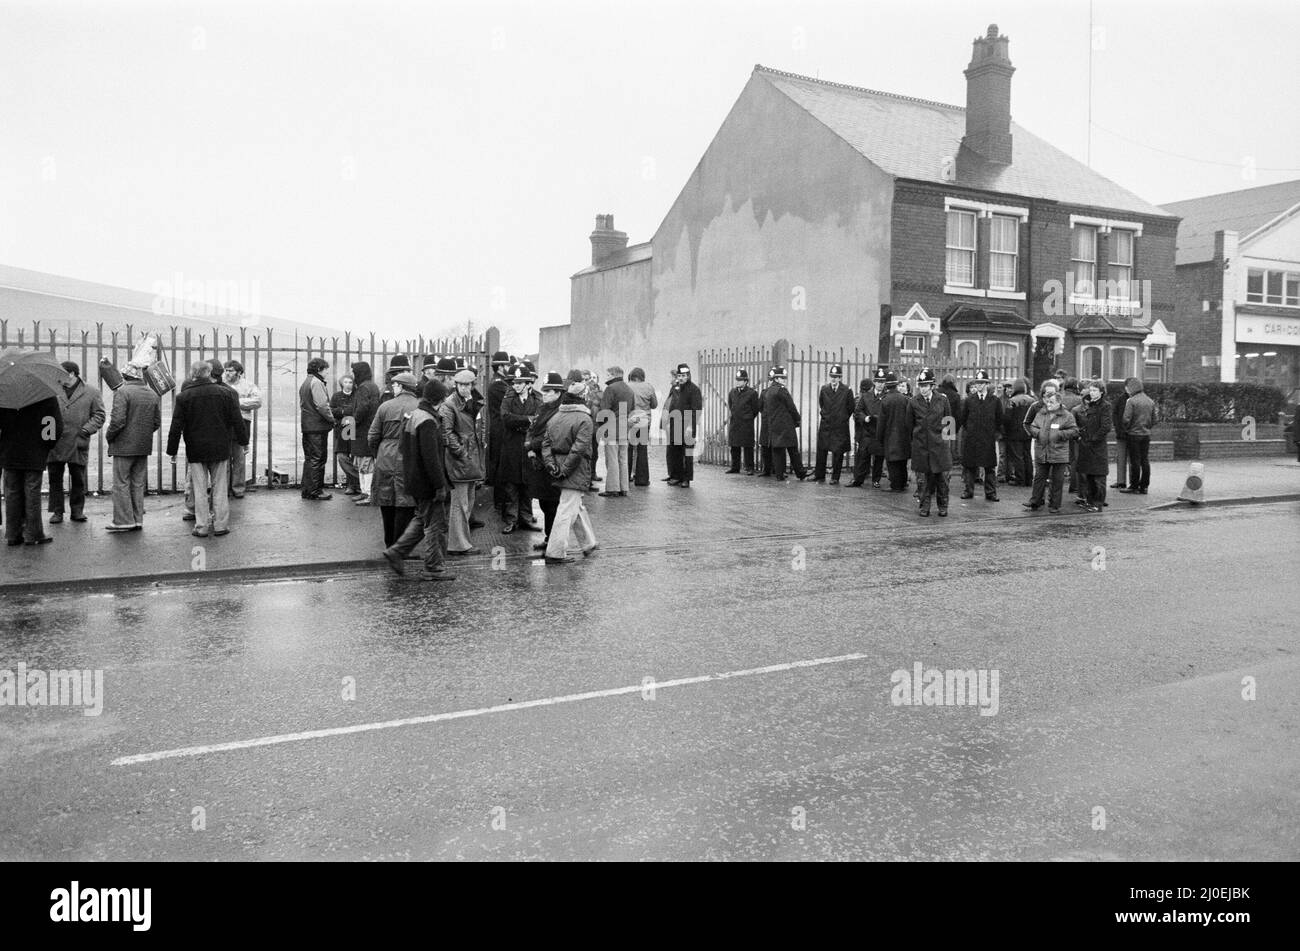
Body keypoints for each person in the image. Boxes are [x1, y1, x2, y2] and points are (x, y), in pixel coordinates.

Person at [381, 378, 456, 581]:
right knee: (435, 525)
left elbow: (404, 449)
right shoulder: (429, 421)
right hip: (429, 483)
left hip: (415, 480)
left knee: (422, 518)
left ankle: (396, 552)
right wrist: (440, 486)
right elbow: (432, 459)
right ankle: (434, 568)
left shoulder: (414, 415)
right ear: (440, 399)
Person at [167, 360, 242, 538]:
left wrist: (172, 450)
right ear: (209, 373)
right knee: (220, 487)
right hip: (220, 448)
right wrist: (243, 441)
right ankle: (221, 525)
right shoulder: (226, 393)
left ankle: (201, 526)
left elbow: (176, 425)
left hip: (196, 449)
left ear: (193, 374)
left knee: (199, 489)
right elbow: (237, 421)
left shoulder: (184, 397)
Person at [542, 370, 598, 564]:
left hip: (558, 467)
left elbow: (546, 445)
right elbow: (579, 449)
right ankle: (555, 552)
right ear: (583, 398)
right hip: (575, 470)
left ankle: (588, 542)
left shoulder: (555, 418)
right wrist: (565, 470)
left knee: (575, 505)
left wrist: (553, 466)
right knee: (567, 510)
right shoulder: (585, 420)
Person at [103, 364, 161, 533]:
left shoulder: (123, 392)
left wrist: (110, 436)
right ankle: (137, 519)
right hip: (143, 445)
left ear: (125, 376)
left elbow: (117, 421)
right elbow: (156, 422)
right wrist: (141, 434)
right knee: (137, 483)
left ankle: (123, 520)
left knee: (121, 483)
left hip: (123, 446)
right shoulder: (152, 393)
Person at [46, 361, 105, 524]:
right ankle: (57, 511)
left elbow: (99, 415)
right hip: (55, 441)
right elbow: (45, 414)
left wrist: (86, 431)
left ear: (72, 374)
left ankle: (77, 510)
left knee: (78, 478)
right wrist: (47, 435)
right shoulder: (52, 390)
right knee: (54, 479)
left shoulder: (92, 392)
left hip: (78, 441)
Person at [1, 390, 62, 545]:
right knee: (32, 492)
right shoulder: (45, 395)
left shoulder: (5, 393)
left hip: (10, 451)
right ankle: (33, 534)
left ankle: (13, 534)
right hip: (34, 451)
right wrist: (46, 445)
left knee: (11, 493)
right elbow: (54, 424)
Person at [368, 371, 419, 547]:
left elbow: (373, 436)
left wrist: (379, 454)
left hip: (385, 455)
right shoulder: (419, 407)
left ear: (401, 387)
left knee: (386, 500)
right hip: (409, 456)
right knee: (406, 504)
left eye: (395, 385)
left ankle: (389, 544)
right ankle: (401, 547)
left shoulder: (385, 407)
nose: (393, 388)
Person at [440, 368, 486, 554]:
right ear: (456, 385)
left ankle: (462, 542)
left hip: (471, 457)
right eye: (462, 385)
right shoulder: (450, 405)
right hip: (461, 459)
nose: (465, 388)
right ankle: (458, 544)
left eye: (468, 385)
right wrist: (461, 452)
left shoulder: (472, 402)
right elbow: (447, 433)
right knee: (460, 504)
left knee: (468, 501)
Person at [526, 372, 566, 551]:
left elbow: (549, 437)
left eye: (549, 391)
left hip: (552, 462)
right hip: (540, 462)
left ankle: (554, 541)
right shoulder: (544, 408)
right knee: (544, 502)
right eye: (545, 391)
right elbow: (533, 427)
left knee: (553, 505)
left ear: (558, 393)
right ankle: (550, 538)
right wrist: (531, 444)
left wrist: (531, 445)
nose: (546, 394)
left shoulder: (560, 411)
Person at [499, 364, 542, 529]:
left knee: (527, 484)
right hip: (511, 446)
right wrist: (527, 420)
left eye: (519, 382)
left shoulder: (537, 399)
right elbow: (505, 418)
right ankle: (511, 520)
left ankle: (526, 518)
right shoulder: (508, 399)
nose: (515, 385)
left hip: (528, 446)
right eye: (513, 382)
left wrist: (523, 420)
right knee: (511, 485)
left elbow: (538, 421)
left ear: (527, 383)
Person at [1024, 389, 1078, 513]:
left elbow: (1074, 431)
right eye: (1047, 402)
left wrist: (1060, 434)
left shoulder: (1067, 415)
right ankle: (1035, 502)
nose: (1048, 404)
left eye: (1052, 402)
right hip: (1042, 451)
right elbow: (1032, 426)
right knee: (1039, 478)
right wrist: (1037, 433)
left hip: (1059, 452)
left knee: (1057, 480)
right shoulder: (1041, 413)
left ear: (1059, 403)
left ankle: (1054, 505)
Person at [909, 368, 952, 517]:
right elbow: (909, 425)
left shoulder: (943, 400)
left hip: (940, 446)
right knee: (923, 481)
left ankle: (943, 506)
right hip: (921, 447)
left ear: (932, 386)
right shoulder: (913, 402)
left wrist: (947, 444)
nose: (923, 389)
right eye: (921, 386)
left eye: (926, 386)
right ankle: (924, 506)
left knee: (942, 480)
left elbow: (949, 422)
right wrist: (914, 444)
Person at [958, 369, 1003, 502]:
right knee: (970, 465)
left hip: (987, 438)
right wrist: (970, 431)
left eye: (982, 383)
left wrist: (994, 433)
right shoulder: (969, 400)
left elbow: (999, 419)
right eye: (977, 383)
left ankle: (990, 492)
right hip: (972, 437)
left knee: (989, 466)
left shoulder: (994, 401)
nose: (979, 385)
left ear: (987, 384)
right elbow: (964, 418)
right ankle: (968, 490)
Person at [758, 366, 805, 481]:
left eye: (784, 378)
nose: (784, 380)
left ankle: (779, 475)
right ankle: (801, 473)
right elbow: (791, 407)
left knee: (778, 450)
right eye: (782, 378)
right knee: (793, 450)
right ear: (776, 379)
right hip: (786, 425)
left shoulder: (767, 392)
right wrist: (797, 419)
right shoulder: (781, 390)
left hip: (774, 425)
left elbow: (761, 408)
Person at [222, 360, 261, 498]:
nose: (227, 373)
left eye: (230, 370)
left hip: (242, 423)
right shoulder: (221, 384)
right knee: (224, 458)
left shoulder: (248, 385)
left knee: (239, 457)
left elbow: (257, 401)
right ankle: (224, 488)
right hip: (224, 423)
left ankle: (238, 488)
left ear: (239, 372)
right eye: (226, 370)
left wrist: (235, 403)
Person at [298, 357, 335, 500]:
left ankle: (307, 490)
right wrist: (332, 419)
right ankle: (316, 491)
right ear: (319, 370)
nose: (327, 374)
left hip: (307, 426)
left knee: (310, 458)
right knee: (318, 459)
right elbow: (322, 405)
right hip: (317, 427)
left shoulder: (306, 382)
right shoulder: (317, 382)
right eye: (326, 370)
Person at [1074, 380, 1112, 513]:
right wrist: (1082, 435)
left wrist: (1094, 438)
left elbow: (1106, 426)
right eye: (1091, 390)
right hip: (1086, 445)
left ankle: (1097, 503)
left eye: (1095, 390)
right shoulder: (1090, 405)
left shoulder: (1105, 406)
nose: (1092, 393)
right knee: (1089, 475)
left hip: (1097, 447)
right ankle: (1090, 501)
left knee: (1099, 477)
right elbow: (1087, 424)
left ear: (1101, 392)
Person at [812, 364, 854, 485]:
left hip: (839, 425)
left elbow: (850, 407)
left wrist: (843, 417)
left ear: (840, 378)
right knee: (822, 450)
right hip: (826, 424)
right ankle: (819, 475)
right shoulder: (824, 389)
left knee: (838, 452)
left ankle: (835, 477)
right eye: (832, 376)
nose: (834, 379)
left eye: (836, 376)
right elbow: (822, 403)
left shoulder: (847, 390)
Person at [662, 363, 702, 488]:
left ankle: (686, 478)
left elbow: (696, 410)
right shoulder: (676, 388)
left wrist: (691, 426)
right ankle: (676, 476)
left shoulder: (694, 390)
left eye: (684, 375)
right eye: (679, 375)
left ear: (688, 376)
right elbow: (672, 405)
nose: (681, 378)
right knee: (675, 452)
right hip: (675, 424)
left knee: (687, 454)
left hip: (687, 426)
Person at [598, 365, 634, 497]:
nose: (606, 377)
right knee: (623, 459)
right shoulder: (629, 390)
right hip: (625, 428)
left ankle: (613, 488)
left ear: (613, 375)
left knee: (612, 458)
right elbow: (632, 410)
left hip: (611, 427)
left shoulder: (610, 389)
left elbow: (604, 410)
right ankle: (624, 487)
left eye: (607, 375)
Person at [349, 361, 381, 504]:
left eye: (354, 372)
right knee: (365, 461)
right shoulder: (372, 386)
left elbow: (362, 408)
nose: (353, 375)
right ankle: (365, 492)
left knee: (365, 462)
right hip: (369, 427)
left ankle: (367, 494)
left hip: (362, 429)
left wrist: (353, 420)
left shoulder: (363, 388)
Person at [485, 351, 512, 519]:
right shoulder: (498, 384)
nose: (508, 368)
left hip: (499, 427)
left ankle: (501, 501)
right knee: (501, 465)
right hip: (500, 428)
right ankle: (500, 502)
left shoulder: (499, 382)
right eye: (507, 365)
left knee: (501, 464)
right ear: (501, 367)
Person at [850, 369, 887, 488]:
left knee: (879, 458)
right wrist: (865, 418)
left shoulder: (887, 397)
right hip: (867, 431)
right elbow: (857, 411)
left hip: (880, 431)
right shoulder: (866, 396)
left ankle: (876, 480)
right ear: (874, 382)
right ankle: (858, 479)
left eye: (882, 382)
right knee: (863, 456)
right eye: (878, 381)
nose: (880, 384)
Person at [1119, 377, 1157, 494]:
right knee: (1144, 460)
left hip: (1134, 434)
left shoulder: (1131, 401)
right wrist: (1147, 427)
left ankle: (1134, 486)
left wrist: (1127, 429)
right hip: (1146, 434)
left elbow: (1126, 419)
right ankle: (1144, 486)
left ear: (1132, 388)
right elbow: (1154, 419)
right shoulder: (1150, 401)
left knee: (1134, 461)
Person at [879, 371, 912, 491]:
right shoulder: (905, 399)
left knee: (892, 463)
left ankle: (895, 485)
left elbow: (881, 422)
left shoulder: (885, 400)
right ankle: (903, 483)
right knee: (902, 461)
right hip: (904, 435)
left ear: (886, 386)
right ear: (896, 385)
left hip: (890, 435)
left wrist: (879, 437)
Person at [724, 369, 761, 475]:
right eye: (737, 380)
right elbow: (731, 405)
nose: (738, 382)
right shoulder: (732, 392)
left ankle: (749, 467)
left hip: (746, 423)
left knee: (748, 446)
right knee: (734, 446)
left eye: (741, 380)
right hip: (735, 422)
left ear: (746, 381)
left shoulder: (752, 393)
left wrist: (748, 417)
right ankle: (735, 467)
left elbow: (755, 409)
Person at [625, 367, 657, 486]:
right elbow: (654, 405)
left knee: (627, 449)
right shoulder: (649, 387)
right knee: (642, 449)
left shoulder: (627, 386)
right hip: (644, 421)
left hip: (630, 421)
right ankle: (642, 479)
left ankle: (625, 476)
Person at [330, 373, 360, 494]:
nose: (348, 384)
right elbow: (331, 410)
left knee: (354, 457)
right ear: (342, 383)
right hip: (342, 429)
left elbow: (358, 410)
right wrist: (344, 411)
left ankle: (352, 486)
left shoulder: (357, 396)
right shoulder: (336, 396)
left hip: (355, 428)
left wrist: (344, 412)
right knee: (342, 457)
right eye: (346, 382)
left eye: (350, 382)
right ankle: (358, 481)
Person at [1003, 378, 1034, 487]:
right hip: (1028, 432)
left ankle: (1020, 479)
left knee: (1017, 457)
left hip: (1014, 433)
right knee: (1027, 455)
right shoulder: (1032, 400)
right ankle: (1029, 479)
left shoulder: (1012, 401)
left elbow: (1007, 418)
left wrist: (1005, 430)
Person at [582, 370, 603, 485]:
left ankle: (592, 474)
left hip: (596, 426)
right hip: (587, 426)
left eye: (594, 378)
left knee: (594, 452)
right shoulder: (584, 392)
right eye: (586, 379)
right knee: (587, 453)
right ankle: (587, 478)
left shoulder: (599, 393)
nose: (591, 380)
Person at [1111, 382, 1131, 490]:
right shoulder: (1120, 399)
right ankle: (1121, 481)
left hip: (1132, 434)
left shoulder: (1135, 399)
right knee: (1121, 458)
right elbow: (1115, 414)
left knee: (1133, 460)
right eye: (1127, 387)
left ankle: (1133, 483)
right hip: (1121, 433)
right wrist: (1117, 427)